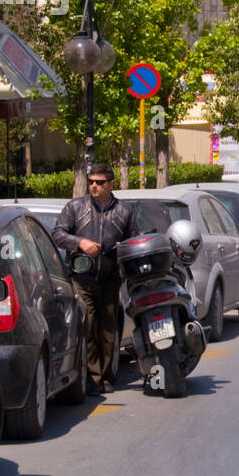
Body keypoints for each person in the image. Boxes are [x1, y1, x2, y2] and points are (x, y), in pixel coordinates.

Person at [51, 164, 137, 394]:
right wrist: (80, 243)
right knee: (88, 325)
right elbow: (58, 234)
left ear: (110, 184)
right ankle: (92, 376)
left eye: (99, 182)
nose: (94, 186)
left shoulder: (124, 212)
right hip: (82, 277)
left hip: (110, 279)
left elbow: (133, 242)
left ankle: (107, 376)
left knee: (108, 330)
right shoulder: (75, 208)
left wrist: (121, 255)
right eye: (91, 182)